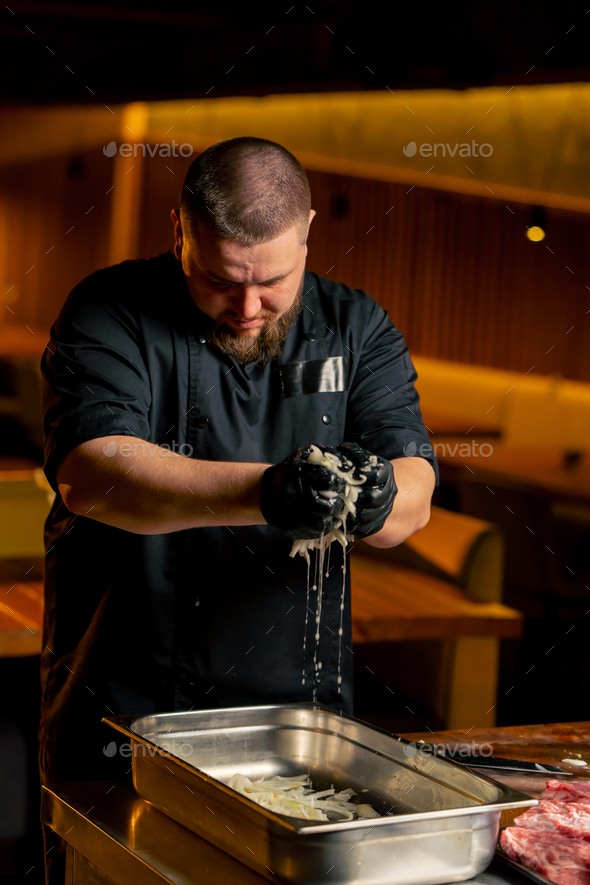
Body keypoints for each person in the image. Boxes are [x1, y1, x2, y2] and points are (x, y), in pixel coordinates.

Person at [38, 136, 438, 882]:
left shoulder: (357, 327)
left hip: (298, 723)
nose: (247, 307)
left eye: (274, 281)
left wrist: (382, 495)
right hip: (125, 711)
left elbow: (413, 487)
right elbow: (94, 474)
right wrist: (266, 491)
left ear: (309, 229)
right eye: (220, 279)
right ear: (178, 228)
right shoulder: (109, 311)